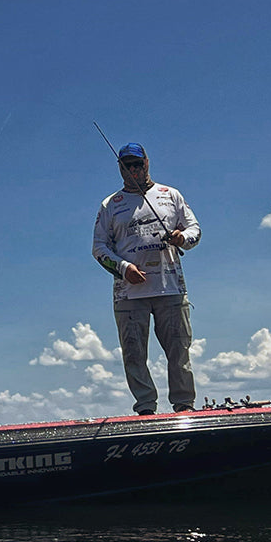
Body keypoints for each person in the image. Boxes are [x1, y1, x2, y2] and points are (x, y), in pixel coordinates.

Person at [92, 142, 201, 414]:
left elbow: (194, 229)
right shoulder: (110, 205)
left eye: (137, 164)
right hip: (129, 293)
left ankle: (184, 405)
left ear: (147, 163)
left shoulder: (171, 195)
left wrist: (181, 238)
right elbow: (99, 248)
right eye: (126, 165)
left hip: (170, 286)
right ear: (119, 167)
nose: (132, 170)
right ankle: (145, 408)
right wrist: (124, 267)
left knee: (179, 349)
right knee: (134, 353)